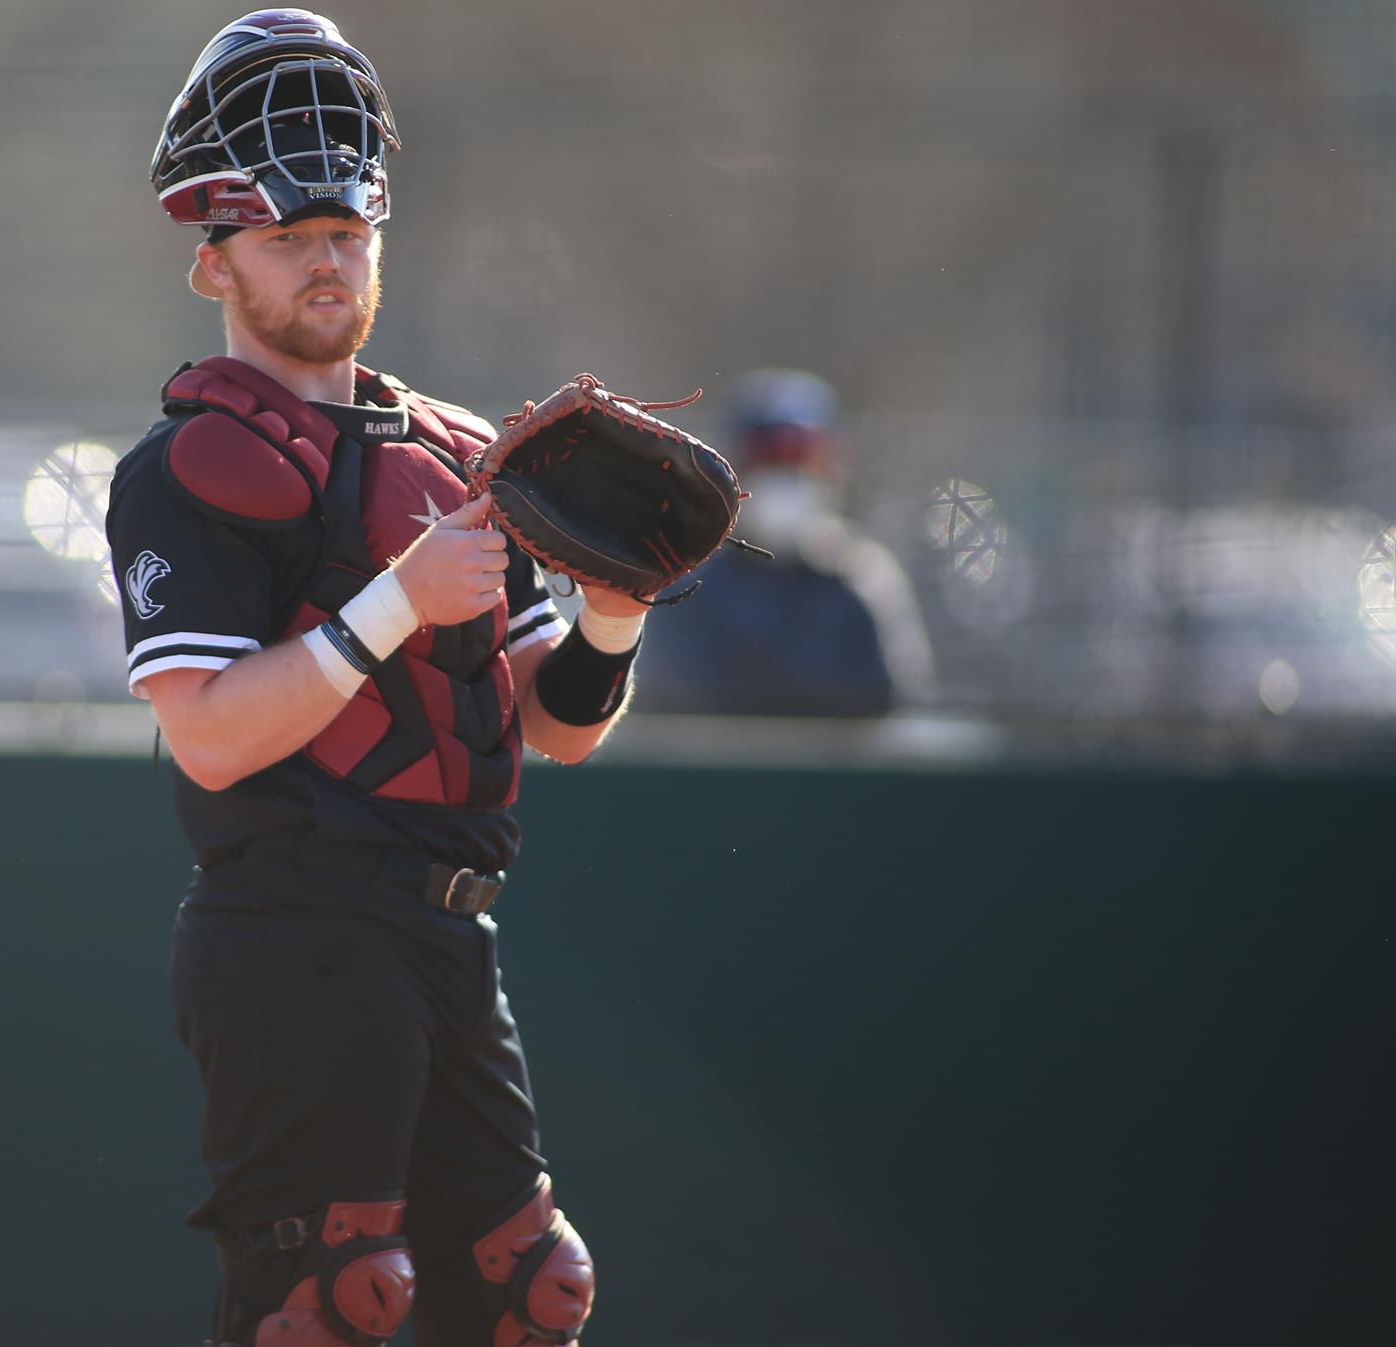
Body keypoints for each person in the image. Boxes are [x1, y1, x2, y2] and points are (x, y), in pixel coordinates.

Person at [105, 12, 648, 1345]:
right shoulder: (189, 465)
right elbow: (213, 738)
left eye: (347, 235)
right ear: (214, 263)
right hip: (293, 921)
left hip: (451, 927)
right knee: (333, 1303)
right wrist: (399, 599)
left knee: (535, 1290)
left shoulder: (457, 452)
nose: (329, 261)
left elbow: (545, 726)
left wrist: (616, 619)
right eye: (290, 239)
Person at [635, 368, 936, 716]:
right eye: (768, 461)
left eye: (800, 460)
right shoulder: (687, 586)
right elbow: (664, 717)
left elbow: (897, 706)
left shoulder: (861, 580)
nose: (786, 479)